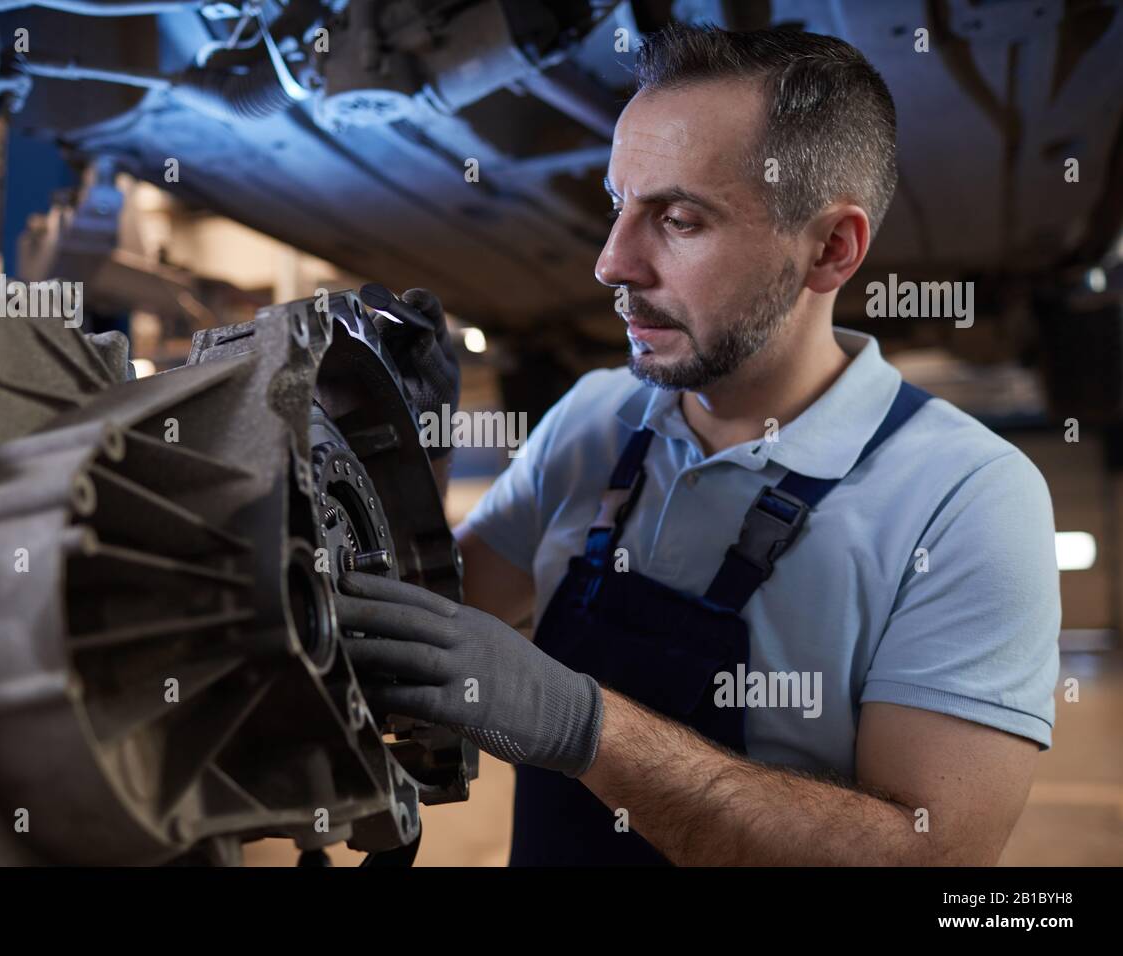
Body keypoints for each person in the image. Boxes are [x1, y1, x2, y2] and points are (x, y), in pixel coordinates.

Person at [342, 23, 1060, 866]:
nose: (612, 263)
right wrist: (398, 444)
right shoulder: (595, 417)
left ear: (831, 249)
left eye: (679, 220)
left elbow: (928, 858)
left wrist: (585, 729)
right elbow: (426, 629)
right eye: (619, 206)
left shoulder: (966, 498)